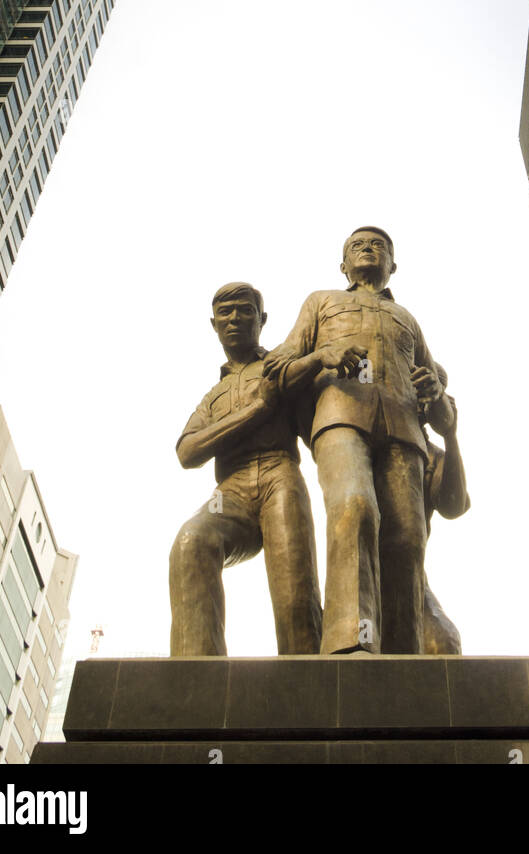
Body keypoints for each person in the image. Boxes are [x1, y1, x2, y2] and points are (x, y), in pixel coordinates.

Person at [263, 227, 445, 654]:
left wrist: (433, 389)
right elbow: (276, 367)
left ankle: (405, 656)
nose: (368, 248)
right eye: (357, 245)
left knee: (407, 537)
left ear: (393, 266)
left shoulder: (408, 320)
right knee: (354, 506)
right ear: (343, 265)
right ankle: (350, 641)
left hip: (404, 431)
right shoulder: (322, 302)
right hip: (340, 418)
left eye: (379, 245)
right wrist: (320, 356)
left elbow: (436, 384)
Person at [169, 281, 330, 656]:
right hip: (230, 491)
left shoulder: (283, 368)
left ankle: (307, 690)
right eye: (225, 312)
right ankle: (198, 681)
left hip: (280, 477)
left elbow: (320, 431)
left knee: (295, 597)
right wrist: (259, 409)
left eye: (245, 310)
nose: (235, 319)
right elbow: (187, 451)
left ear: (263, 319)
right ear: (214, 324)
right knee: (191, 542)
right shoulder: (213, 395)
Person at [418, 371, 470, 654]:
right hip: (361, 572)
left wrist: (450, 434)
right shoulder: (367, 435)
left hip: (412, 575)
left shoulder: (432, 455)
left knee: (443, 643)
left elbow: (453, 506)